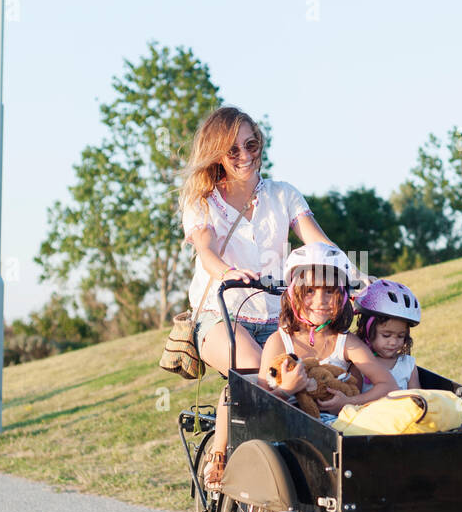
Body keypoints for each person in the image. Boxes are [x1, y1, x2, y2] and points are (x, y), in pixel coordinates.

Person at [179, 106, 336, 488]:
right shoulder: (202, 202)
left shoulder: (283, 195)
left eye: (252, 144)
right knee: (253, 371)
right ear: (216, 153)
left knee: (308, 374)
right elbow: (206, 249)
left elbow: (319, 243)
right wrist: (227, 273)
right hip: (221, 314)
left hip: (275, 318)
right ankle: (219, 457)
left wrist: (351, 274)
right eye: (233, 150)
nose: (245, 156)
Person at [258, 244, 398, 419]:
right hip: (290, 433)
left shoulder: (345, 342)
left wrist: (349, 402)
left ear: (343, 296)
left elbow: (388, 385)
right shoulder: (279, 341)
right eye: (309, 290)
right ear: (293, 294)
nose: (321, 301)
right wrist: (286, 390)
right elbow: (258, 402)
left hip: (340, 432)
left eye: (330, 291)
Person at [353, 279, 422, 391]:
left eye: (400, 336)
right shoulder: (360, 364)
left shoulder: (408, 365)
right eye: (386, 335)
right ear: (367, 331)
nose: (393, 342)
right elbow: (353, 399)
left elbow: (417, 398)